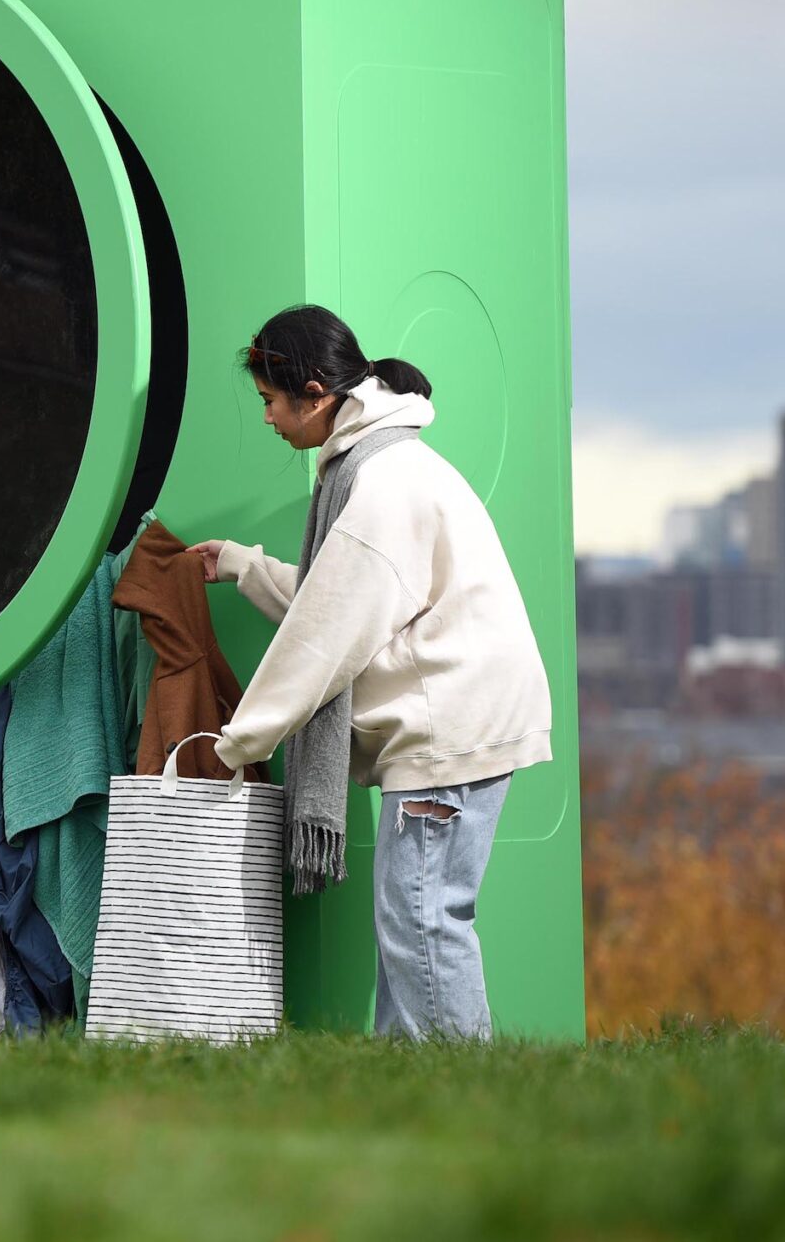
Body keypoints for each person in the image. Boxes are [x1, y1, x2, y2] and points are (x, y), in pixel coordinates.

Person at [191, 304, 553, 1039]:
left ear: (315, 392)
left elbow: (329, 632)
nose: (266, 419)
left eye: (269, 399)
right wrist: (242, 565)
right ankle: (403, 1085)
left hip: (451, 723)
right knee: (411, 923)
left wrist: (238, 743)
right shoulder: (379, 464)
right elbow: (341, 598)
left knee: (423, 919)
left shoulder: (381, 481)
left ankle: (466, 1098)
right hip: (462, 713)